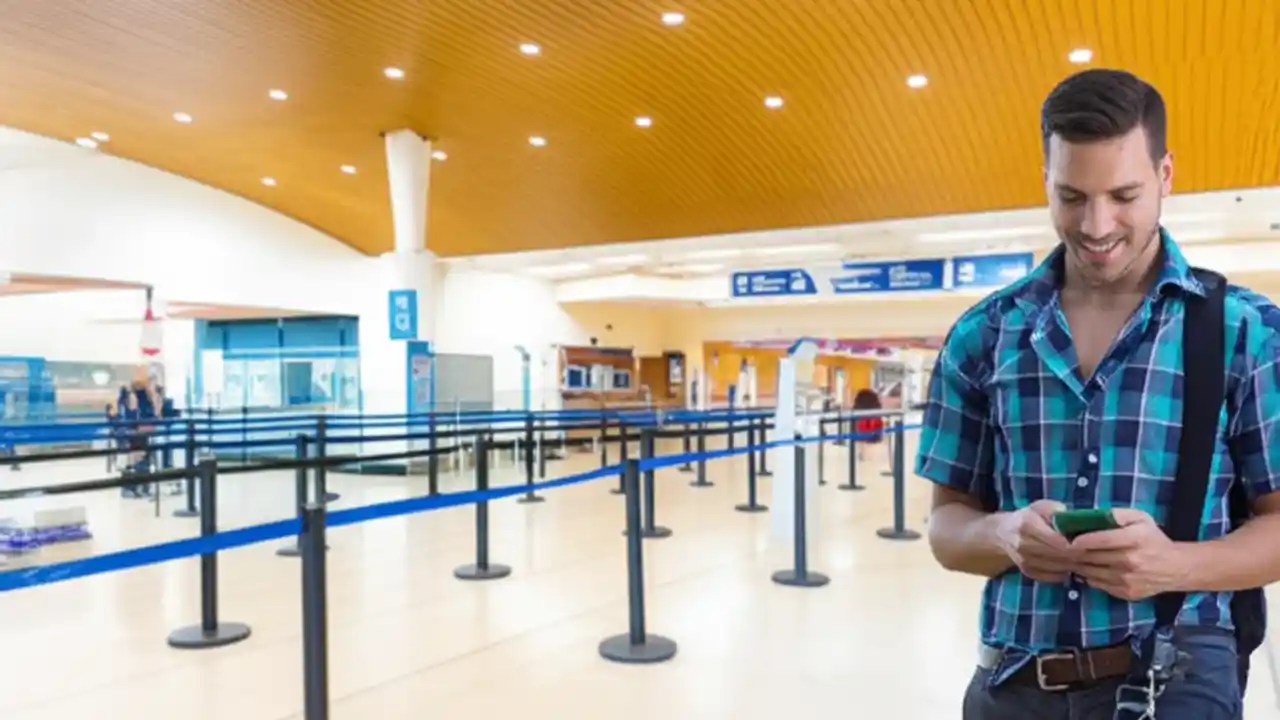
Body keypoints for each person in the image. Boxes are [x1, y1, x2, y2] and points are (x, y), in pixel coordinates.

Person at [916, 67, 1280, 719]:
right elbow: (947, 527)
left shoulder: (1245, 332)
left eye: (1123, 194)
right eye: (1072, 196)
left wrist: (1173, 566)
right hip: (1012, 681)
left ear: (1166, 175)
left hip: (1176, 676)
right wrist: (1004, 534)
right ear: (1046, 183)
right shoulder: (984, 334)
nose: (1097, 224)